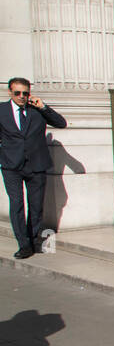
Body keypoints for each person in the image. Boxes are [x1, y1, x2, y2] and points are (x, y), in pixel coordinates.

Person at [1, 77, 66, 259]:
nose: (22, 97)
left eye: (25, 93)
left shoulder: (36, 110)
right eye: (17, 93)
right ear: (10, 92)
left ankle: (34, 239)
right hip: (11, 166)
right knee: (17, 205)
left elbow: (61, 123)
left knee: (36, 206)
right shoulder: (1, 110)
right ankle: (24, 245)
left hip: (36, 165)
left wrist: (43, 107)